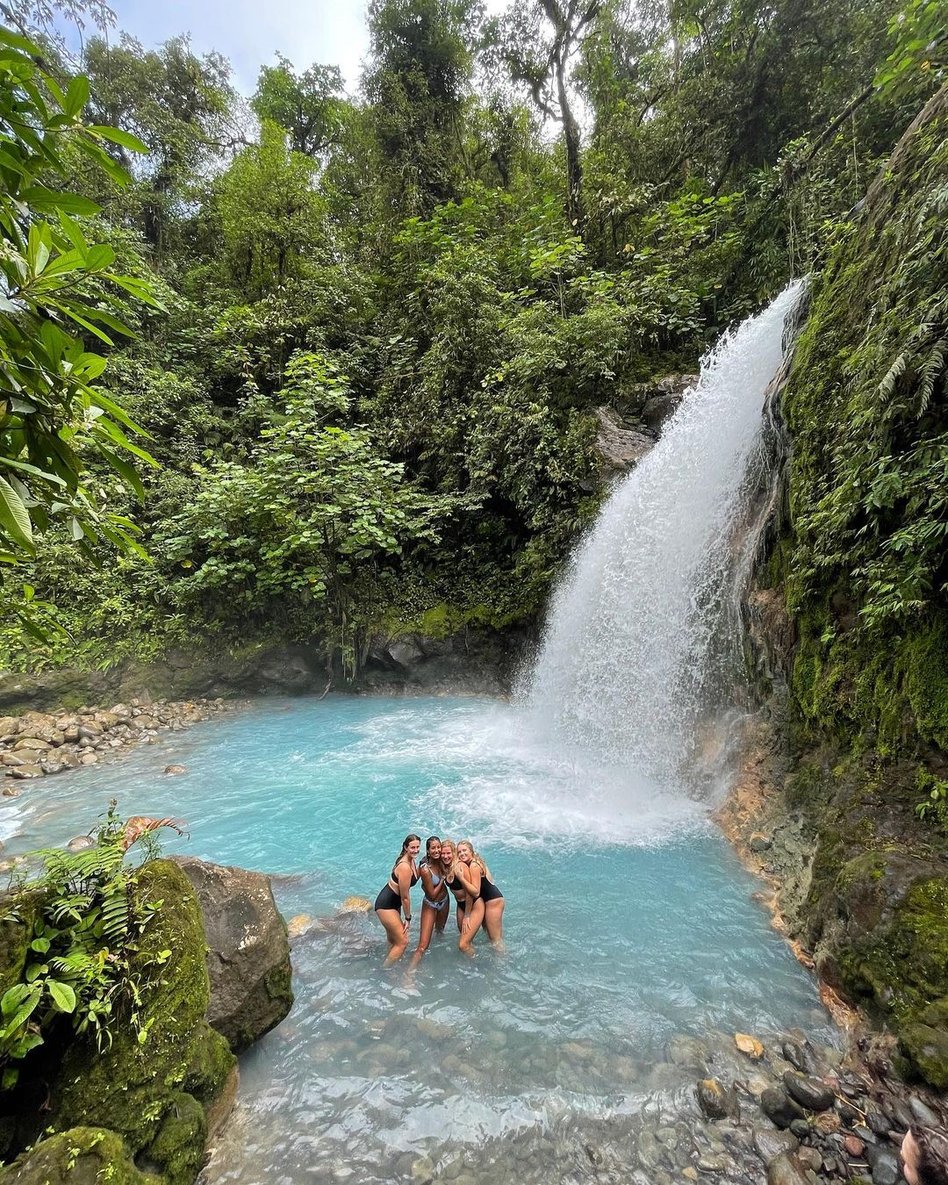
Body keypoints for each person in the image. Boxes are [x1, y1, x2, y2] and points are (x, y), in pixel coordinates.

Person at [373, 833, 421, 965]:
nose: (416, 850)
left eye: (418, 847)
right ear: (406, 847)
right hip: (386, 905)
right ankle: (385, 969)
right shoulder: (405, 866)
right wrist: (408, 918)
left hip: (394, 903)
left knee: (393, 940)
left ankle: (388, 963)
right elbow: (405, 897)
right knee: (403, 942)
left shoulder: (411, 860)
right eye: (412, 847)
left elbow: (416, 876)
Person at [454, 839, 505, 954]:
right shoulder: (477, 861)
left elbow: (476, 892)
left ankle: (502, 963)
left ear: (471, 851)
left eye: (464, 851)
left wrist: (461, 878)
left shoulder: (473, 865)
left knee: (496, 940)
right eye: (459, 852)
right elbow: (491, 880)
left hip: (493, 901)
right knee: (490, 935)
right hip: (491, 898)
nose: (462, 854)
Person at [409, 836, 449, 968]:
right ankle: (409, 973)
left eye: (439, 847)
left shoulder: (443, 861)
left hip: (444, 901)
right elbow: (432, 894)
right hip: (430, 904)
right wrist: (443, 878)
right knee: (422, 946)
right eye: (433, 848)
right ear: (428, 850)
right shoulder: (425, 869)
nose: (437, 850)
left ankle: (439, 960)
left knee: (439, 932)